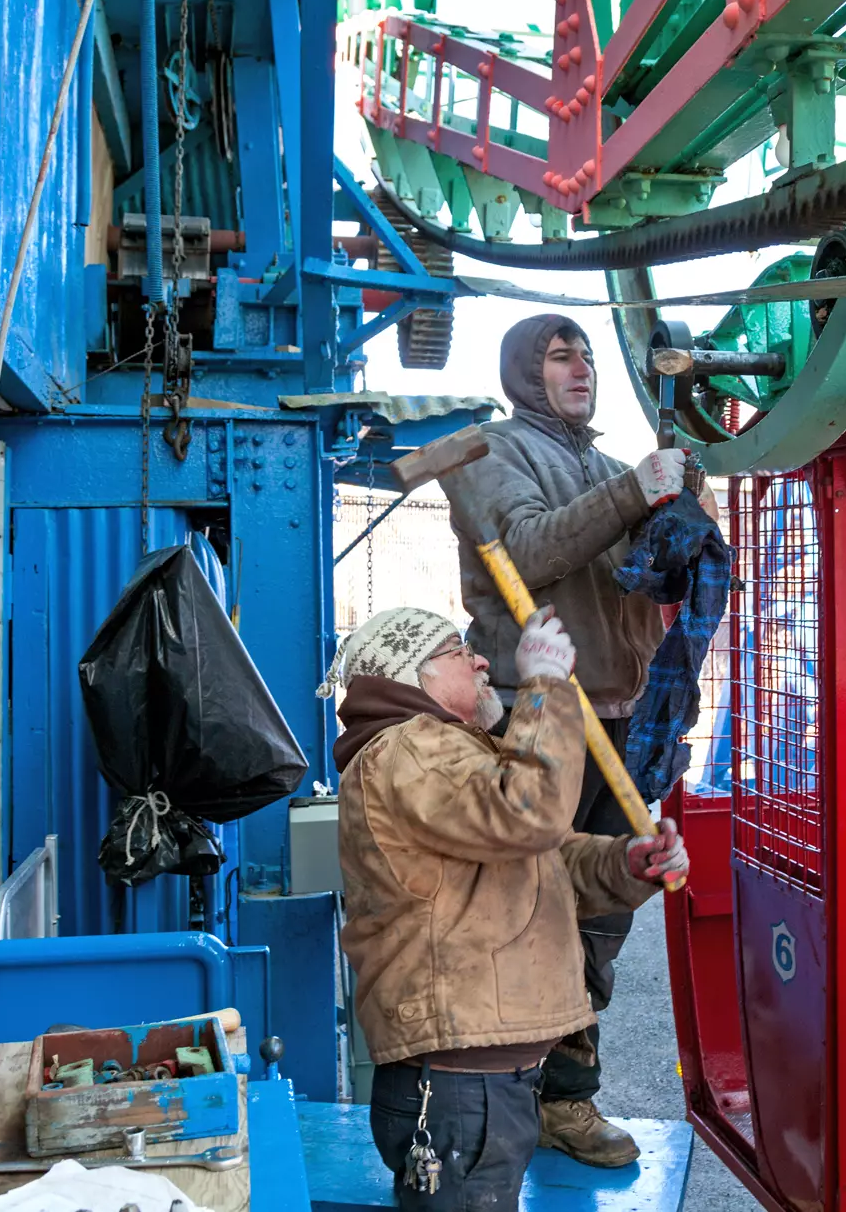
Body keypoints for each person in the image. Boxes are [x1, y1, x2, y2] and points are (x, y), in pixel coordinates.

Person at [326, 605, 689, 1210]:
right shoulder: (409, 751)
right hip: (460, 1088)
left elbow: (543, 857)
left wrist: (627, 863)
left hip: (475, 1086)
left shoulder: (447, 754)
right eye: (455, 651)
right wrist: (545, 685)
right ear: (414, 677)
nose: (480, 660)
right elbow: (530, 813)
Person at [441, 313, 686, 1166]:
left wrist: (681, 518)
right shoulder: (493, 455)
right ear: (522, 370)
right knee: (530, 908)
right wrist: (631, 493)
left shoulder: (613, 464)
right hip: (541, 711)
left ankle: (566, 1095)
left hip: (621, 711)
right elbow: (532, 548)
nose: (580, 364)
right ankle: (509, 1093)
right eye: (557, 354)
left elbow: (647, 573)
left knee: (606, 911)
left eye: (585, 353)